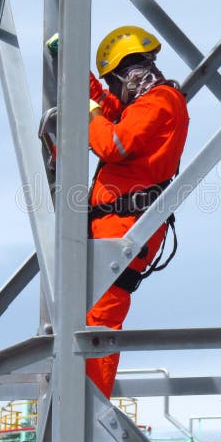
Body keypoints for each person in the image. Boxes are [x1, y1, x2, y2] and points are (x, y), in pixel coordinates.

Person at [84, 25, 189, 399]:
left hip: (127, 232)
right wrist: (82, 79)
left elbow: (115, 141)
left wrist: (91, 110)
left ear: (128, 75)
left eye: (115, 84)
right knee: (86, 319)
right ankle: (71, 416)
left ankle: (82, 424)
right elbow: (116, 113)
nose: (114, 94)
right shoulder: (148, 103)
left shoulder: (161, 101)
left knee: (99, 322)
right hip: (115, 228)